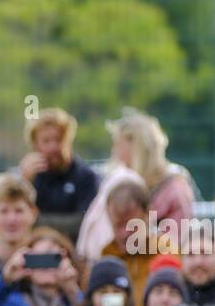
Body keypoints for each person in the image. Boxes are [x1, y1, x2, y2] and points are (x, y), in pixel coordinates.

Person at [77, 108, 193, 261]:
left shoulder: (174, 188)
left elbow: (177, 243)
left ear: (136, 147)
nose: (114, 151)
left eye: (118, 144)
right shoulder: (120, 182)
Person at [17, 107, 99, 239]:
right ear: (34, 145)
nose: (53, 147)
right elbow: (16, 220)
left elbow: (85, 222)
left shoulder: (85, 176)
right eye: (46, 141)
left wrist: (37, 221)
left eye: (58, 139)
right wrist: (24, 183)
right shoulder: (30, 176)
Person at [101, 180, 175, 306]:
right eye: (118, 225)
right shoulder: (106, 259)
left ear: (148, 216)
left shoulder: (167, 254)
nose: (124, 234)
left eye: (132, 226)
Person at [0, 173, 39, 277]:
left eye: (19, 211)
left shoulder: (46, 263)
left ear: (33, 213)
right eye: (4, 211)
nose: (11, 219)